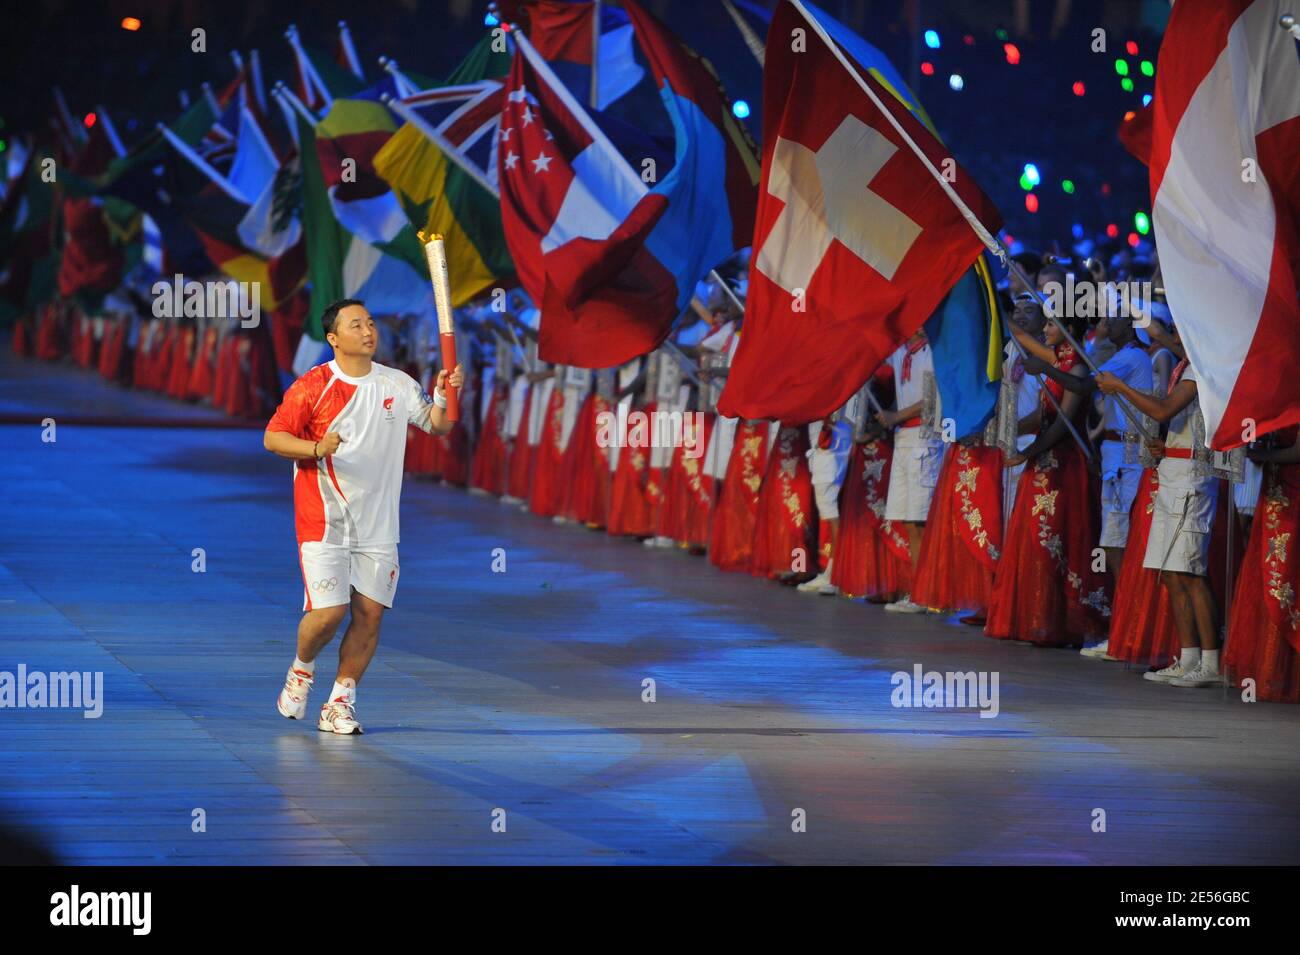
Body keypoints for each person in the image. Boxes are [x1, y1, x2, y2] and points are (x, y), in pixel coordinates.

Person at [264, 299, 464, 734]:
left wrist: (447, 396)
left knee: (371, 614)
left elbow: (438, 423)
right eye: (356, 325)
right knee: (329, 613)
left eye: (370, 323)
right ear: (334, 338)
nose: (368, 330)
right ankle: (301, 670)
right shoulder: (313, 386)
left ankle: (340, 702)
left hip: (379, 522)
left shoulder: (397, 383)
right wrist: (316, 448)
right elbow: (273, 437)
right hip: (325, 518)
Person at [1096, 355, 1221, 687]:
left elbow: (1164, 410)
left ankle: (1211, 662)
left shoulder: (1199, 367)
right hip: (1171, 471)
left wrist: (1120, 387)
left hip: (1192, 478)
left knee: (1191, 572)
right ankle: (1189, 657)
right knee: (1169, 572)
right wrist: (1165, 446)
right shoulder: (1183, 366)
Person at [875, 330, 944, 613]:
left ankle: (927, 592)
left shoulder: (932, 352)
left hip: (924, 439)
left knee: (921, 521)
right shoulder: (901, 351)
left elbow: (932, 398)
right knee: (907, 520)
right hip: (902, 439)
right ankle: (918, 589)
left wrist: (896, 416)